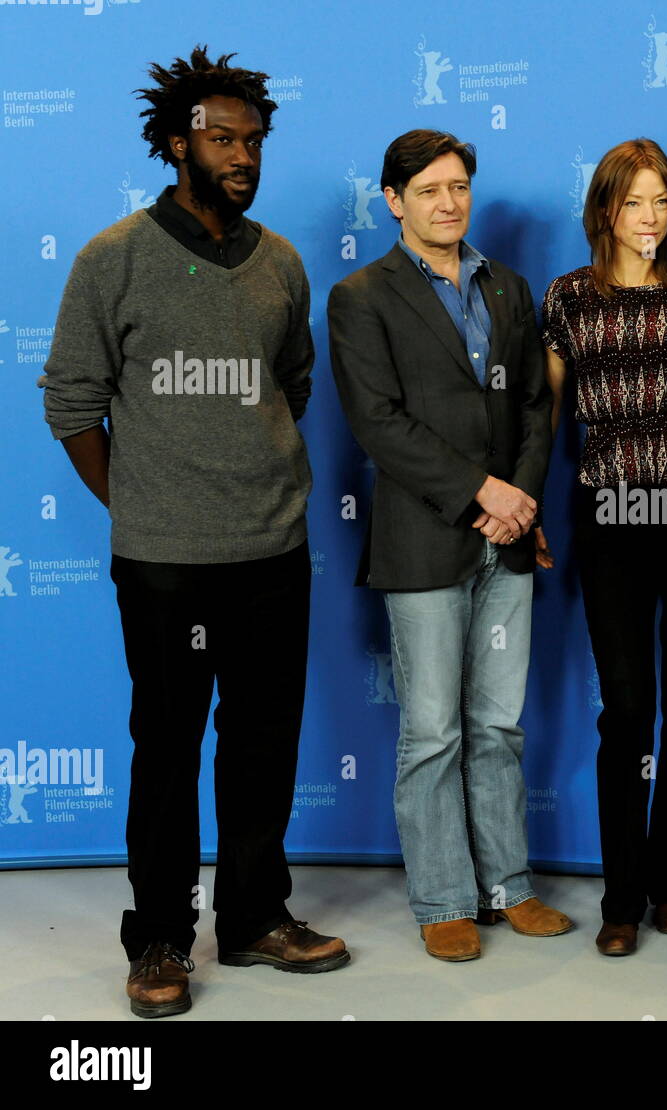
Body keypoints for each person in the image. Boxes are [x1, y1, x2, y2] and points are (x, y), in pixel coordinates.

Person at [41, 45, 348, 1019]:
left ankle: (256, 919)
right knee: (167, 752)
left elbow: (292, 385)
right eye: (221, 137)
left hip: (274, 555)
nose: (240, 153)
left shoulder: (281, 263)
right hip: (165, 563)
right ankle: (161, 939)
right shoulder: (113, 258)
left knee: (263, 746)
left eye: (252, 138)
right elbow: (72, 406)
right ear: (178, 142)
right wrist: (139, 503)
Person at [328, 129, 569, 963]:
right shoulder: (361, 296)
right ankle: (441, 899)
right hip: (425, 541)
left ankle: (509, 889)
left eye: (460, 186)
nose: (449, 202)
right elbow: (378, 422)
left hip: (510, 543)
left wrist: (521, 502)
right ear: (394, 200)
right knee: (432, 732)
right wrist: (482, 495)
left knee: (498, 727)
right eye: (429, 189)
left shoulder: (509, 286)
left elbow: (536, 407)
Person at [538, 139, 667, 956]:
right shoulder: (568, 298)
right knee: (627, 709)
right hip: (607, 512)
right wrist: (530, 506)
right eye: (633, 202)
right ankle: (621, 898)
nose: (649, 218)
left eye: (662, 203)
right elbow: (546, 419)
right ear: (604, 210)